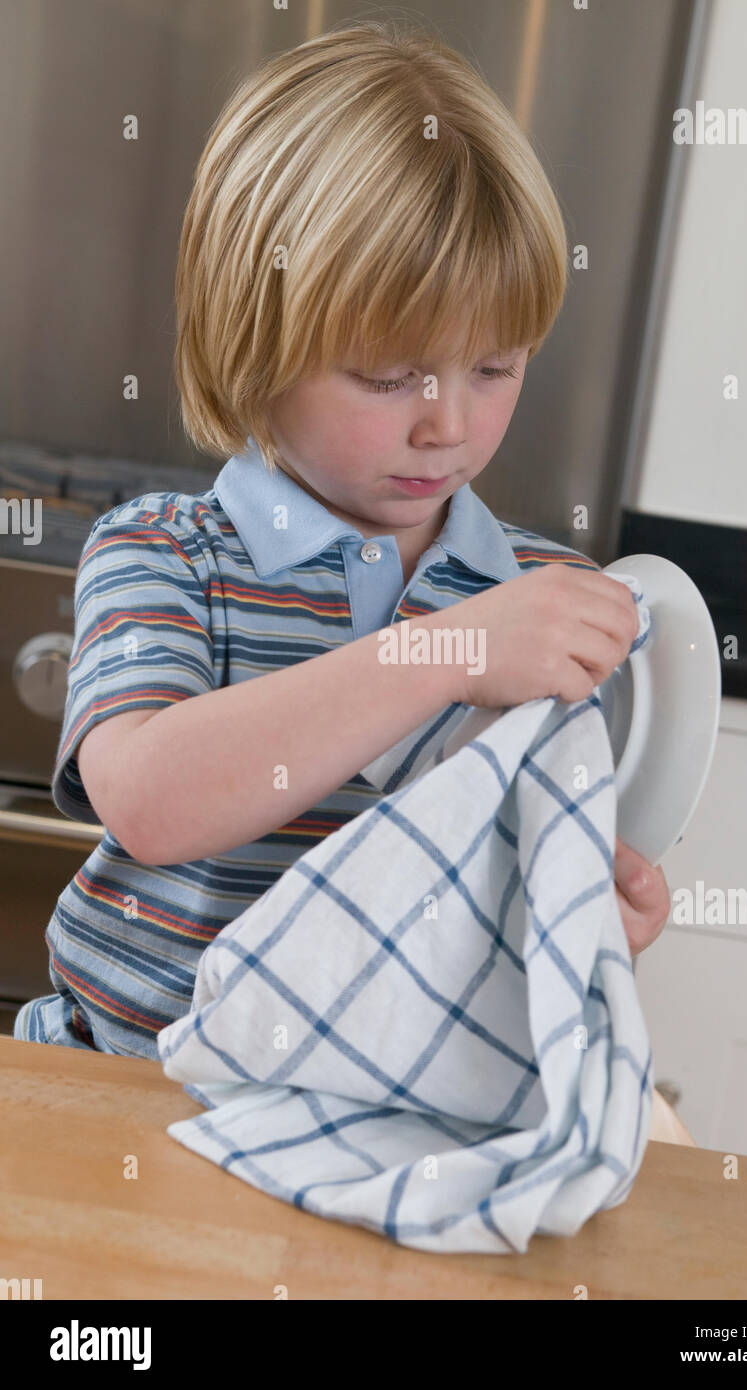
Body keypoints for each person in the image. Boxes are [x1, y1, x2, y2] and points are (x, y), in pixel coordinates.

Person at [14, 19, 669, 1059]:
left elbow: (497, 914)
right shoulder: (166, 555)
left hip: (374, 1113)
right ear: (252, 338)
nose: (446, 423)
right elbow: (149, 801)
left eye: (494, 367)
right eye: (386, 375)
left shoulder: (543, 599)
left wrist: (589, 933)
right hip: (128, 1096)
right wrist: (445, 650)